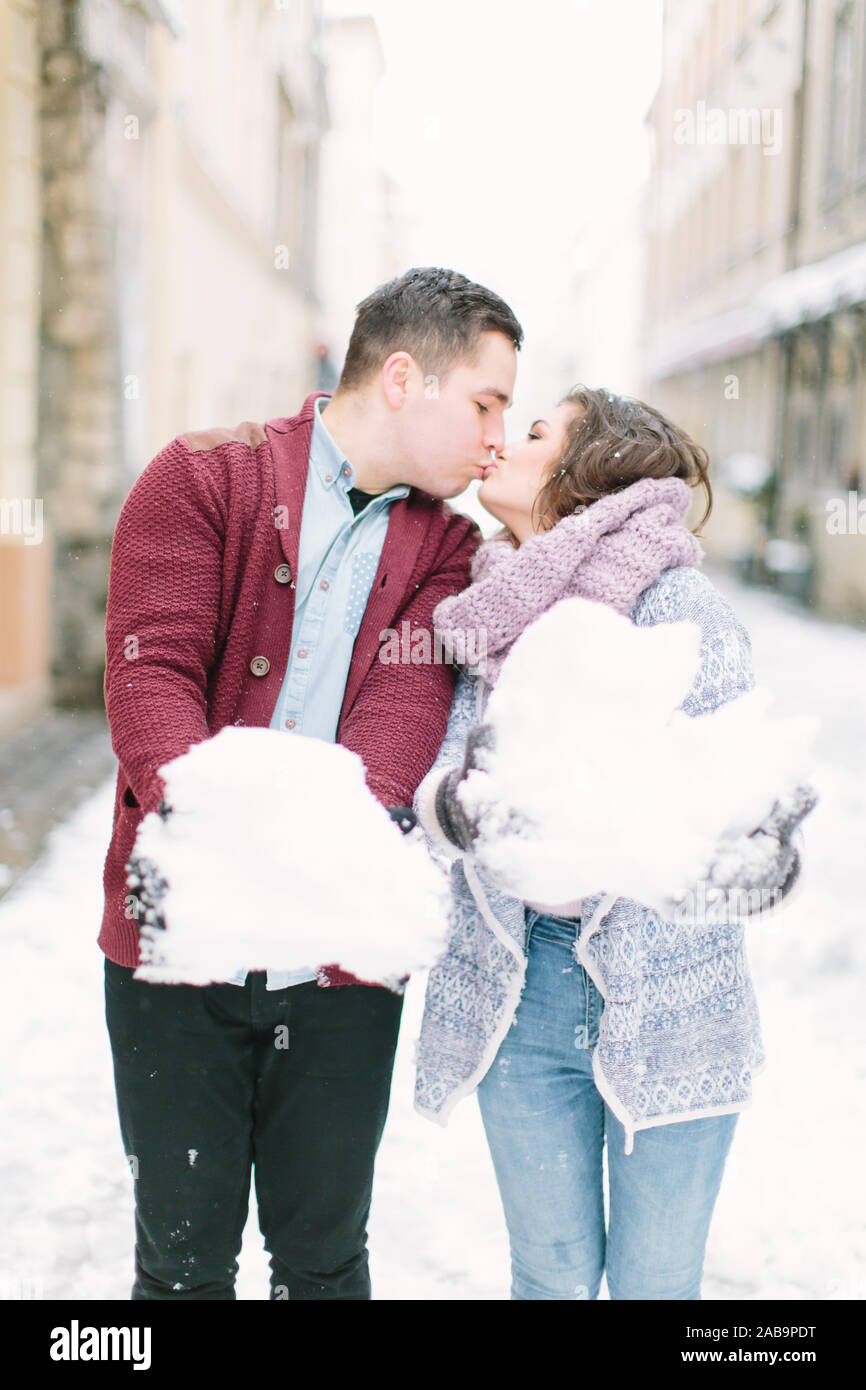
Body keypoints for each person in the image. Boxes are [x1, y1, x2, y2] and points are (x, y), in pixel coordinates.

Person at [100, 266, 523, 1299]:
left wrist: (306, 864)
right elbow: (151, 679)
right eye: (484, 401)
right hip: (178, 949)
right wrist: (233, 843)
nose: (496, 436)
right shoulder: (202, 477)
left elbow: (399, 724)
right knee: (181, 1261)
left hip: (338, 966)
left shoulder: (446, 551)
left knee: (324, 1260)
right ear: (399, 375)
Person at [412, 385, 815, 1301]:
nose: (505, 442)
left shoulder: (677, 603)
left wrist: (753, 851)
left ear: (587, 470)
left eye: (538, 432)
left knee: (656, 1286)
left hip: (670, 997)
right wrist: (460, 807)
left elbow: (748, 792)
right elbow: (434, 781)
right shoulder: (485, 609)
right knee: (548, 1278)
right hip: (518, 995)